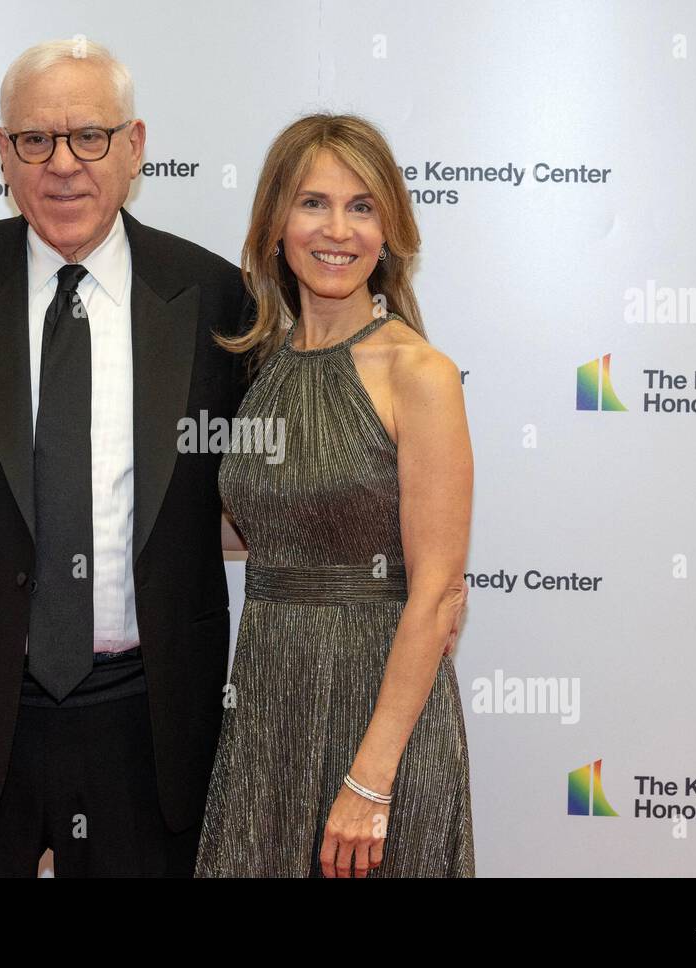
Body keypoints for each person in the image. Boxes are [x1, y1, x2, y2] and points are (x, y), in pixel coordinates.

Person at [0, 39, 250, 876]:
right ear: (3, 153)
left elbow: (266, 493)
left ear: (135, 147)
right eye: (36, 140)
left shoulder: (212, 295)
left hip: (151, 725)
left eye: (89, 137)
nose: (62, 164)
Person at [195, 113, 475, 877]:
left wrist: (369, 778)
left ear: (390, 231)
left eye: (363, 207)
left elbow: (437, 590)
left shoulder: (419, 375)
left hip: (379, 715)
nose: (338, 230)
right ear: (276, 221)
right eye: (313, 202)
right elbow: (265, 525)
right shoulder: (257, 369)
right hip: (266, 706)